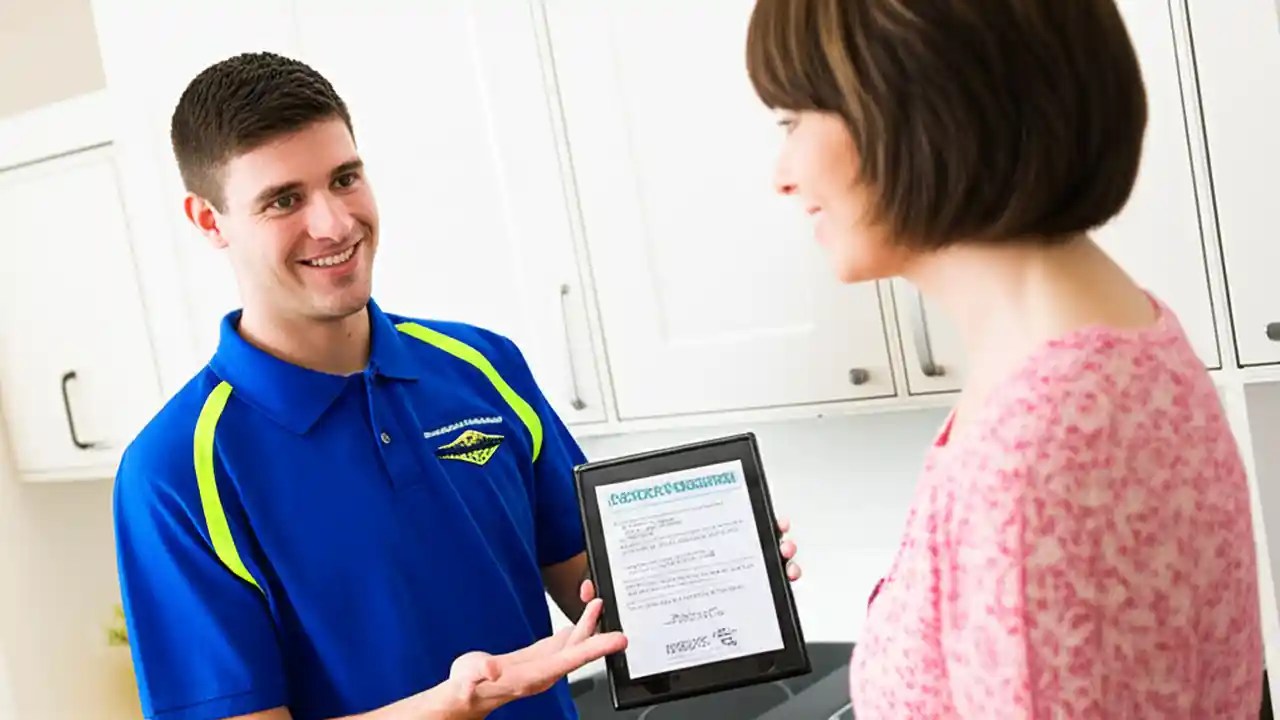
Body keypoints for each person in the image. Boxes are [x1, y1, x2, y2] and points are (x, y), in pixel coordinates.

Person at [112, 51, 802, 720]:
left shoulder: (482, 365)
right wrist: (452, 707)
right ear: (210, 222)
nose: (333, 222)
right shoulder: (175, 471)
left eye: (346, 178)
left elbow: (595, 588)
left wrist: (714, 570)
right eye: (284, 200)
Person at [744, 0, 1264, 718]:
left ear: (917, 104)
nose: (783, 175)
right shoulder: (1102, 339)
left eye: (793, 122)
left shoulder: (1042, 448)